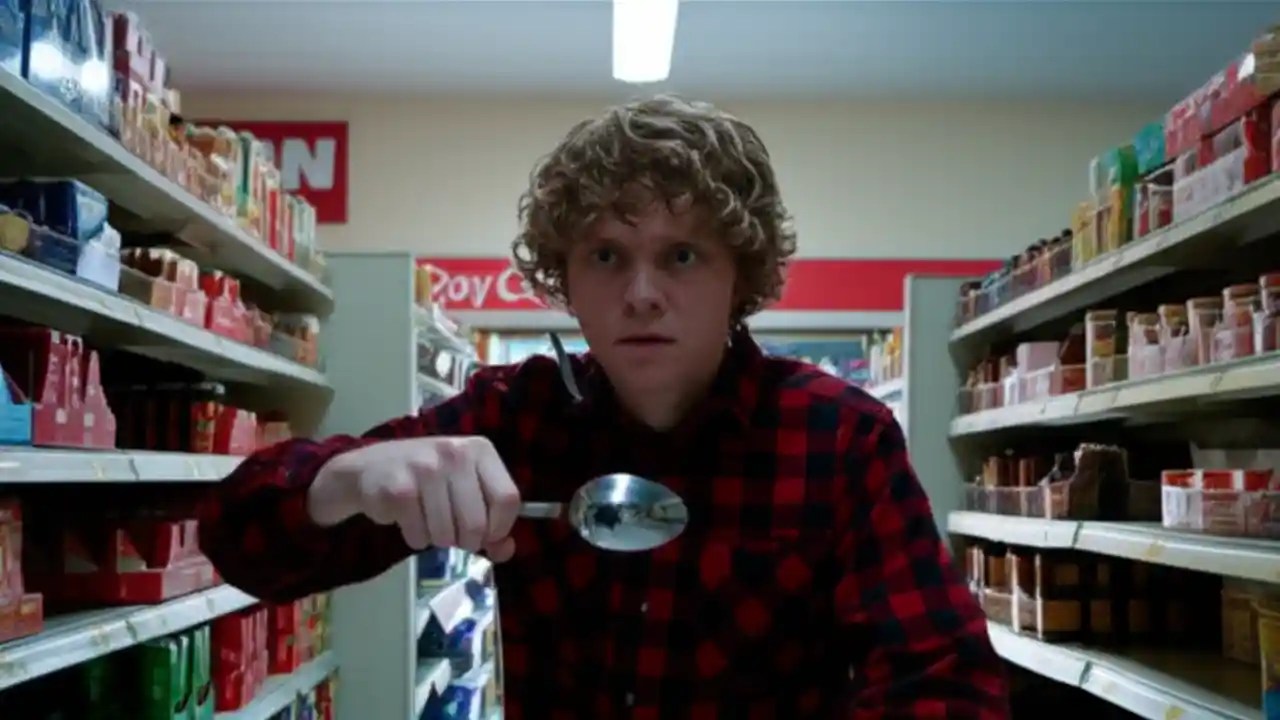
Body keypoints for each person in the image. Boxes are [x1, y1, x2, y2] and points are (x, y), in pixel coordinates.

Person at [198, 95, 1009, 718]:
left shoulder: (839, 438)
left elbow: (944, 680)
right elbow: (240, 541)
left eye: (681, 255)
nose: (642, 294)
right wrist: (342, 479)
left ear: (742, 275)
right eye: (606, 255)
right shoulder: (515, 418)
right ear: (565, 278)